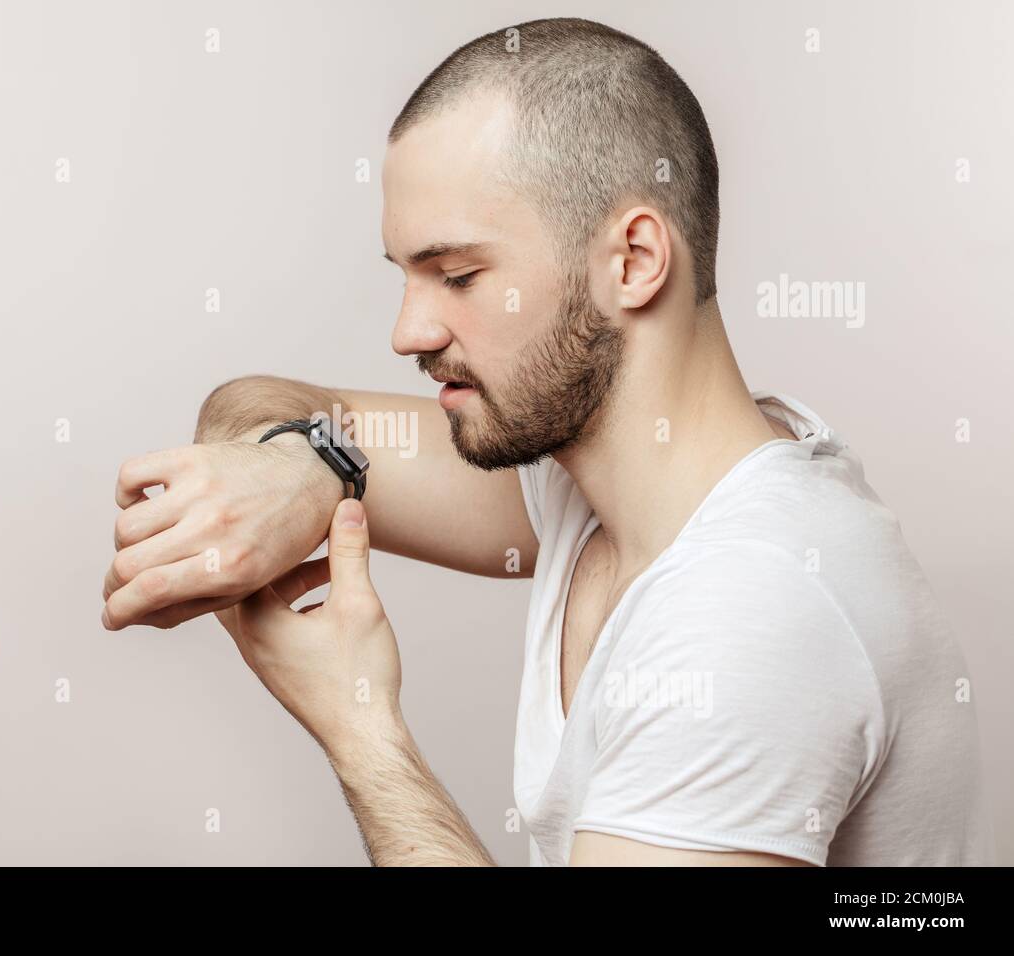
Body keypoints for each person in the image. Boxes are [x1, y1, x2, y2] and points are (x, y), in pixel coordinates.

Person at [101, 18, 988, 866]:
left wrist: (360, 730)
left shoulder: (750, 611)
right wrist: (305, 466)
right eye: (408, 278)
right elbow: (263, 402)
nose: (408, 332)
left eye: (457, 275)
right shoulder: (588, 484)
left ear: (634, 262)